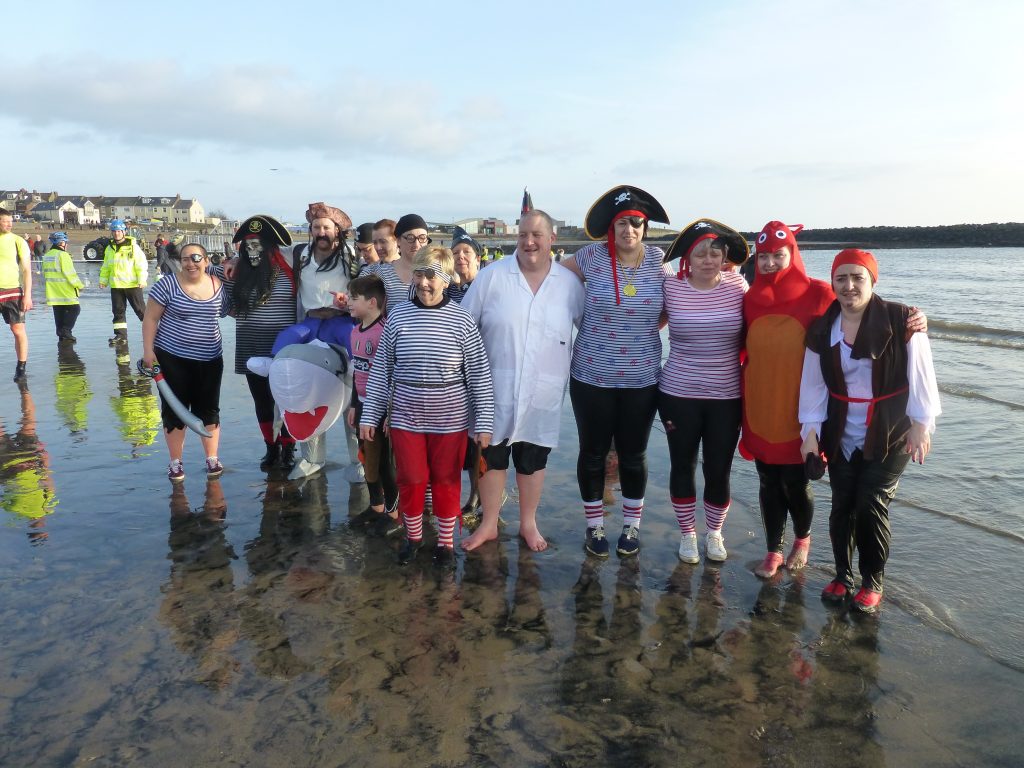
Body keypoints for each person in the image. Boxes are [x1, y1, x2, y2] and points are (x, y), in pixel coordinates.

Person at [799, 249, 940, 612]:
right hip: (841, 430)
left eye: (857, 277)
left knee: (870, 503)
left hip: (892, 430)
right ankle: (842, 576)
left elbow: (922, 374)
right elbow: (813, 386)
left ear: (872, 281)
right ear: (832, 283)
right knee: (842, 504)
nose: (849, 286)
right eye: (841, 278)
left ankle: (872, 580)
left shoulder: (902, 319)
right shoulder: (822, 328)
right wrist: (810, 434)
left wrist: (921, 424)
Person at [359, 245, 494, 567]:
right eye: (418, 274)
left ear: (446, 280)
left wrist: (484, 422)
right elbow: (381, 371)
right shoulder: (398, 316)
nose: (423, 283)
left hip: (450, 417)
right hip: (406, 415)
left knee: (446, 480)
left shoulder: (462, 320)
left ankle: (446, 543)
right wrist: (371, 414)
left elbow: (479, 375)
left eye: (431, 276)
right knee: (412, 478)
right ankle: (414, 537)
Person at [460, 209, 584, 552]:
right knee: (492, 456)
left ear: (551, 239)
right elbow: (463, 327)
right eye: (523, 235)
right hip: (493, 387)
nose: (529, 242)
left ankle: (528, 523)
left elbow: (591, 329)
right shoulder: (492, 277)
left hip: (543, 390)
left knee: (532, 459)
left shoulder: (568, 284)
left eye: (537, 235)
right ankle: (489, 523)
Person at [559, 185, 671, 558]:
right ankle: (595, 527)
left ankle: (631, 527)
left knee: (633, 454)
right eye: (622, 223)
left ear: (645, 227)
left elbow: (676, 303)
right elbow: (554, 283)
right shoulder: (591, 256)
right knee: (592, 453)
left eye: (636, 223)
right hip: (591, 376)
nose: (629, 230)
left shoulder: (659, 261)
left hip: (642, 379)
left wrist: (643, 328)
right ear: (612, 226)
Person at [659, 220, 749, 564]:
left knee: (718, 468)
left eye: (715, 253)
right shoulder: (671, 287)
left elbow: (769, 314)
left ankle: (714, 533)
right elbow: (645, 319)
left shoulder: (738, 285)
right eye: (700, 253)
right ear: (687, 258)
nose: (708, 260)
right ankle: (688, 534)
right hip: (678, 394)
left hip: (726, 396)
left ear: (725, 257)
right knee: (682, 465)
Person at [271, 201, 361, 480]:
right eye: (316, 227)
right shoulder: (299, 253)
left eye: (327, 227)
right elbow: (264, 254)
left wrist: (349, 301)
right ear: (310, 230)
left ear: (337, 230)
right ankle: (312, 457)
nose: (321, 232)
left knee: (357, 376)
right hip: (311, 321)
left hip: (341, 321)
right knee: (290, 356)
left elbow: (372, 280)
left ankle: (360, 459)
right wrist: (235, 262)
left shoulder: (351, 255)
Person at [142, 243, 227, 482]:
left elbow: (233, 311)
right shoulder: (167, 285)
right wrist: (148, 351)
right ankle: (175, 462)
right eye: (185, 259)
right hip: (172, 357)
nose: (191, 263)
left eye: (196, 258)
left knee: (209, 408)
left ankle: (212, 459)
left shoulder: (218, 285)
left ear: (206, 261)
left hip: (210, 359)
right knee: (175, 410)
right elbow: (150, 318)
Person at [221, 215, 299, 470]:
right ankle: (271, 447)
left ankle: (289, 448)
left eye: (257, 244)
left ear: (270, 246)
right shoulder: (236, 272)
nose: (252, 250)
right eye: (247, 246)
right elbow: (205, 279)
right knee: (262, 400)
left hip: (284, 344)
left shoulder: (290, 267)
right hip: (250, 342)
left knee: (287, 400)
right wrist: (230, 262)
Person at [345, 274, 400, 532]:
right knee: (367, 456)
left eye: (354, 298)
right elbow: (357, 371)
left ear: (372, 302)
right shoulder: (355, 331)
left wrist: (390, 411)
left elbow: (393, 374)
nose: (348, 302)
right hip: (363, 404)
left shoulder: (385, 332)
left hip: (383, 407)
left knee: (385, 462)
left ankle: (394, 512)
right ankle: (376, 505)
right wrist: (354, 404)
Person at [361, 213, 428, 311]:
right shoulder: (378, 274)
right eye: (410, 238)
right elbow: (359, 303)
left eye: (422, 238)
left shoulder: (438, 272)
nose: (416, 244)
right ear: (399, 240)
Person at [99, 219, 149, 343]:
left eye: (119, 231)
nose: (116, 234)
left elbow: (141, 265)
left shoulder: (133, 247)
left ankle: (154, 333)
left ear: (124, 232)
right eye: (114, 231)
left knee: (141, 311)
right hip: (116, 286)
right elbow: (106, 266)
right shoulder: (109, 248)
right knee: (118, 312)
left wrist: (142, 279)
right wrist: (103, 280)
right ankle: (121, 336)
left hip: (132, 285)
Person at [0, 211, 32, 380]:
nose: (9, 224)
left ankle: (21, 367)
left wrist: (27, 295)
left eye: (10, 221)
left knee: (18, 330)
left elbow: (26, 270)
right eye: (5, 221)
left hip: (12, 291)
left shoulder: (18, 241)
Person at [42, 231, 84, 343]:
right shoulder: (63, 255)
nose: (66, 244)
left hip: (53, 290)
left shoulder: (47, 256)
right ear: (61, 243)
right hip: (65, 289)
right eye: (65, 242)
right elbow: (70, 274)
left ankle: (61, 333)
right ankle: (66, 331)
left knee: (58, 312)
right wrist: (79, 285)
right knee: (75, 309)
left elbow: (45, 273)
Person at [448, 225, 481, 304]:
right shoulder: (448, 291)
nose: (460, 256)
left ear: (478, 259)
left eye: (466, 252)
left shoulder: (485, 287)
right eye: (455, 253)